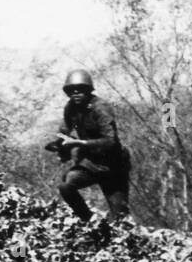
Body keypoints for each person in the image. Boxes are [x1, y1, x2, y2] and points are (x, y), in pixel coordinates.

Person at [47, 68, 131, 223]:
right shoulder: (70, 107)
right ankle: (90, 221)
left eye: (80, 90)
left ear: (88, 90)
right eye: (72, 91)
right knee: (66, 186)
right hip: (91, 164)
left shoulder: (100, 107)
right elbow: (64, 129)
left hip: (113, 166)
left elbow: (111, 141)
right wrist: (59, 145)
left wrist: (81, 143)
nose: (76, 93)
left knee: (120, 217)